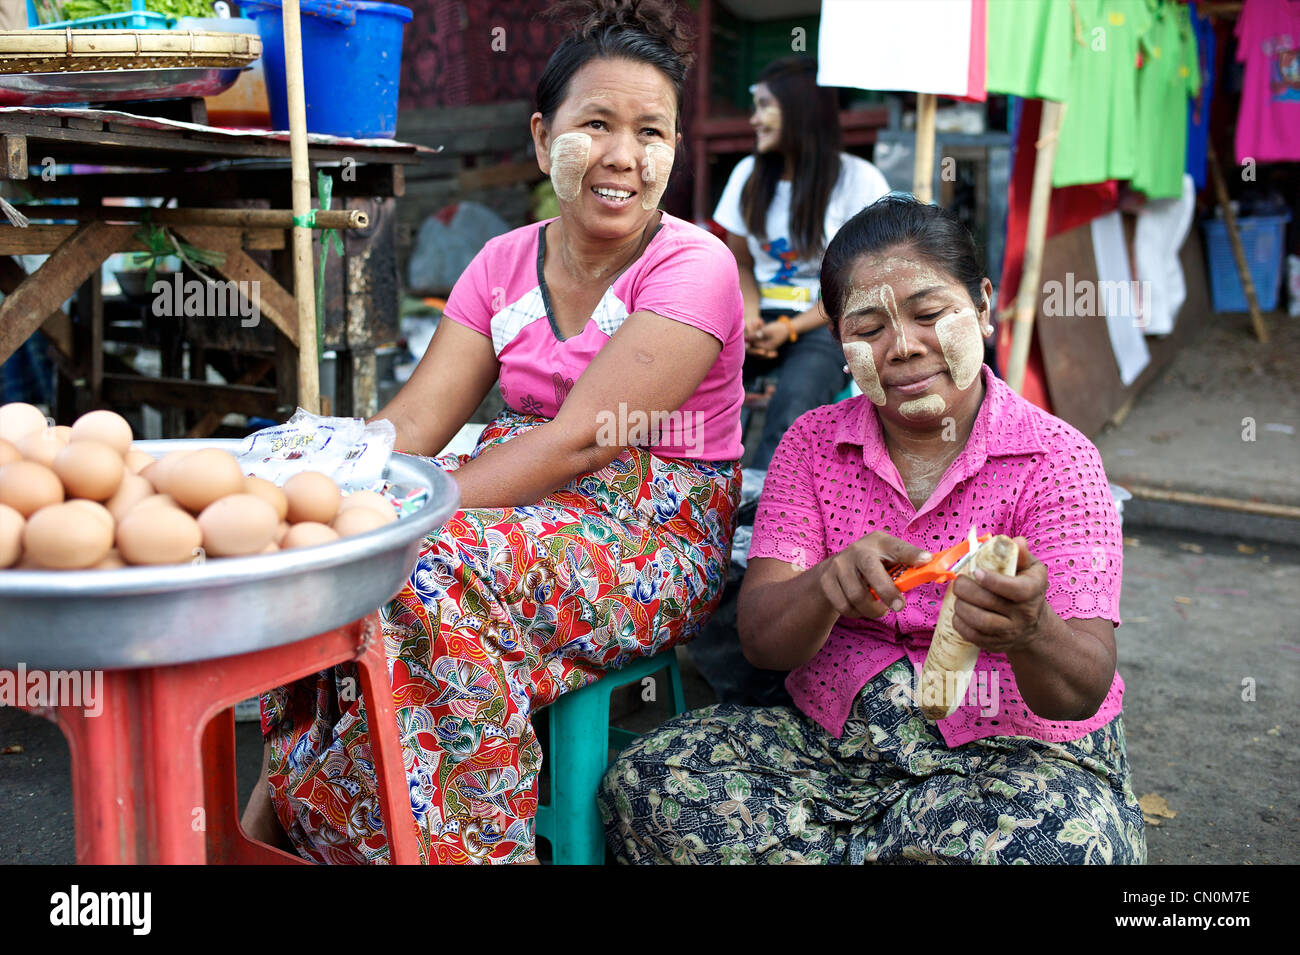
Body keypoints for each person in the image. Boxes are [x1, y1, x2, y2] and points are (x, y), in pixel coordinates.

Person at [241, 0, 745, 865]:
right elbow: (413, 425)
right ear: (546, 139)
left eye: (650, 132)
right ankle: (291, 824)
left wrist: (405, 520)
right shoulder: (502, 263)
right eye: (597, 123)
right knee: (319, 555)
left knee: (416, 567)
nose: (624, 155)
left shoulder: (692, 266)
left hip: (648, 533)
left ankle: (449, 849)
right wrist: (328, 486)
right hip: (513, 503)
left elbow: (586, 440)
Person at [599, 196, 1146, 865]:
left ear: (981, 305)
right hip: (833, 751)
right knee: (650, 783)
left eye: (929, 313)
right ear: (840, 339)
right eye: (869, 327)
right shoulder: (813, 445)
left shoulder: (1057, 459)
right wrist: (826, 585)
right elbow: (764, 642)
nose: (905, 346)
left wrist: (1032, 630)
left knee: (1058, 842)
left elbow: (1083, 686)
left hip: (1011, 759)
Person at [713, 55, 890, 470]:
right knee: (695, 374)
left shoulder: (858, 181)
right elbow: (738, 261)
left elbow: (864, 283)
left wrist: (790, 328)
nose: (754, 120)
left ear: (798, 110)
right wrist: (752, 315)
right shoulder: (748, 176)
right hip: (757, 317)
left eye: (764, 107)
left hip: (826, 322)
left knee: (795, 399)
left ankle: (758, 505)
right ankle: (694, 485)